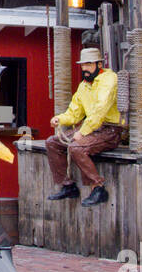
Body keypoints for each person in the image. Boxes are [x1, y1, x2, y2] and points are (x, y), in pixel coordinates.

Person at [45, 46, 125, 207]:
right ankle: (68, 186)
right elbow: (74, 113)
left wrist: (82, 132)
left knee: (76, 148)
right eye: (83, 65)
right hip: (92, 128)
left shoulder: (109, 79)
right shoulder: (84, 85)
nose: (85, 68)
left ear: (99, 64)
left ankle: (98, 188)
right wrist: (59, 119)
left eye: (89, 64)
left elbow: (100, 110)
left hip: (110, 129)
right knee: (52, 142)